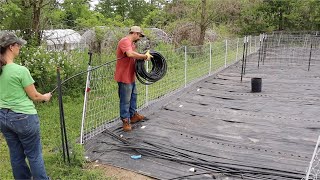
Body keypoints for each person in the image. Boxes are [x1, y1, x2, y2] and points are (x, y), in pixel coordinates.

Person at [0, 32, 52, 180]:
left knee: (16, 154)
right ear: (11, 47)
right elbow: (35, 96)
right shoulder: (20, 71)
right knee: (34, 154)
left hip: (3, 117)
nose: (20, 47)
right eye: (18, 45)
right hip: (24, 118)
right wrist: (46, 97)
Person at [115, 26, 153, 131]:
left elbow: (133, 57)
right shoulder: (124, 41)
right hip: (124, 76)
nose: (140, 37)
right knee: (125, 100)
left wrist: (141, 59)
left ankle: (133, 115)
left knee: (133, 96)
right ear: (135, 33)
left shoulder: (131, 44)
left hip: (130, 75)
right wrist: (144, 56)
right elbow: (130, 54)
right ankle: (125, 121)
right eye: (140, 35)